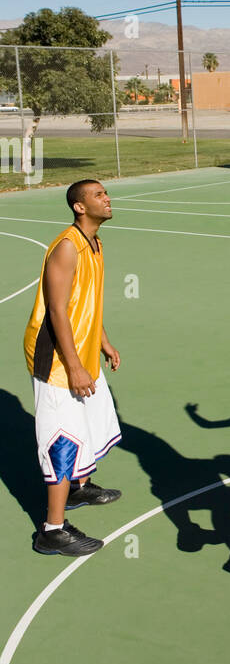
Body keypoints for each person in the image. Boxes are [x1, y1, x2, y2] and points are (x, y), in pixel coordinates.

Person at [23, 179, 123, 557]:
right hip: (57, 362)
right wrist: (76, 366)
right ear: (79, 207)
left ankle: (80, 487)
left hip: (82, 353)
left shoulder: (94, 243)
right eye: (98, 195)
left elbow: (87, 302)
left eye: (105, 193)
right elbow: (57, 309)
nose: (107, 199)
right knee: (62, 438)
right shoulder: (67, 247)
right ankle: (52, 529)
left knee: (91, 423)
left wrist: (102, 341)